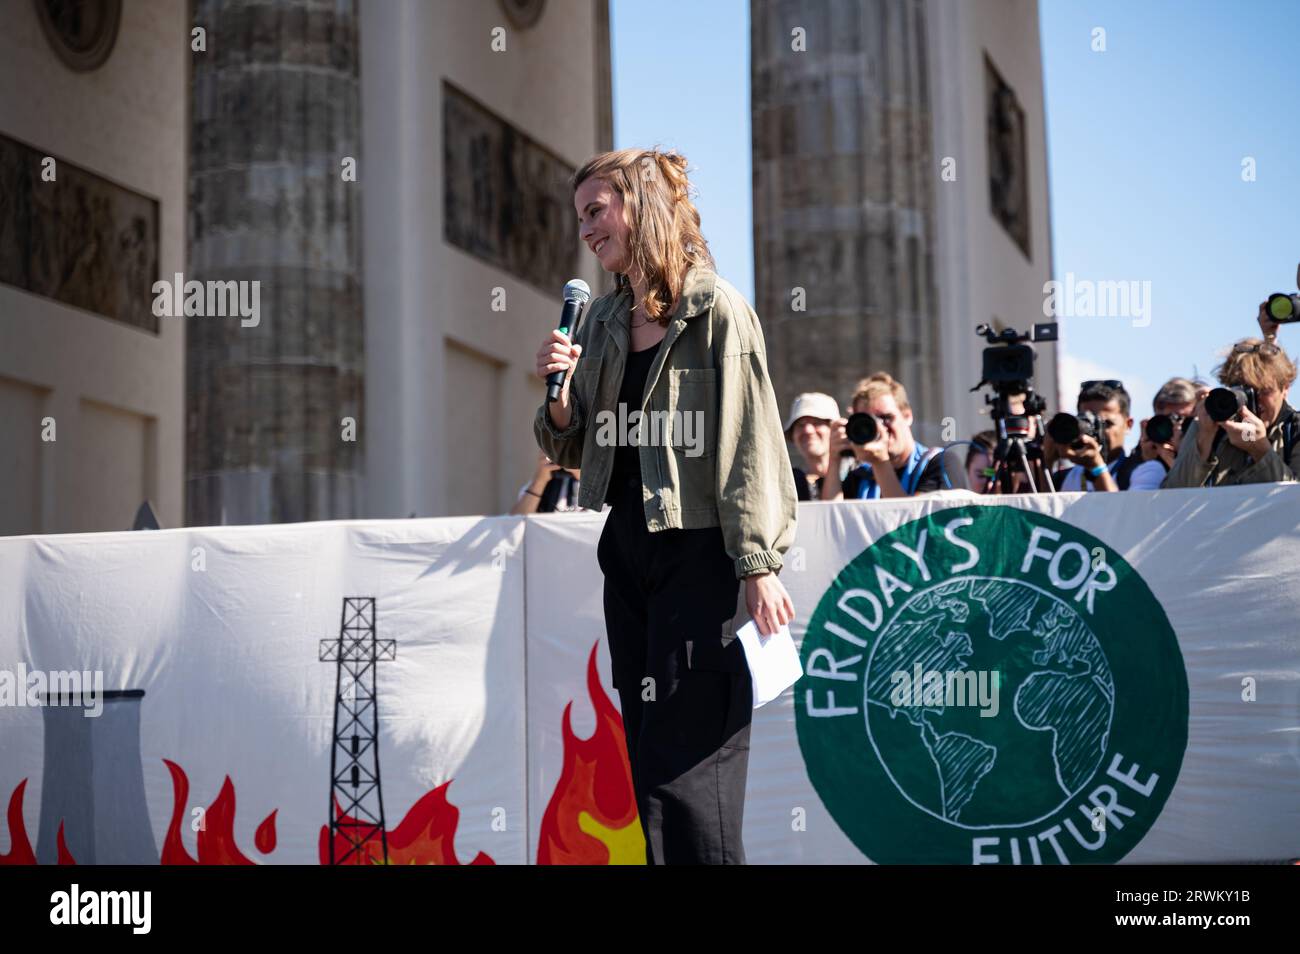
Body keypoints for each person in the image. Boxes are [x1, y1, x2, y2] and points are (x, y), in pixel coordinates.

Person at [533, 147, 797, 865]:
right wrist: (558, 400)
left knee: (690, 774)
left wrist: (756, 562)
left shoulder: (717, 310)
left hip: (701, 554)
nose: (586, 230)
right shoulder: (602, 321)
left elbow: (749, 443)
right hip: (628, 553)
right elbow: (574, 448)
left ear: (640, 205)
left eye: (597, 211)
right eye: (580, 216)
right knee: (651, 767)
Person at [1161, 334, 1299, 488]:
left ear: (1285, 388)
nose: (1254, 399)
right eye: (1245, 390)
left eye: (1264, 391)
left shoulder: (1294, 430)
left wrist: (1260, 450)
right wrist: (1204, 439)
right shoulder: (1209, 425)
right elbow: (1171, 497)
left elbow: (1294, 503)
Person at [823, 373, 947, 499]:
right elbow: (832, 515)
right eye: (869, 423)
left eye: (886, 418)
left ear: (907, 416)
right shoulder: (861, 475)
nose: (880, 428)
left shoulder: (940, 463)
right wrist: (834, 460)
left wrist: (880, 462)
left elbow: (914, 518)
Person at [1054, 381, 1166, 492]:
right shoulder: (1064, 477)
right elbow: (1043, 509)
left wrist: (1096, 468)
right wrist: (1046, 462)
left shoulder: (1144, 471)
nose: (1098, 432)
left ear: (1128, 425)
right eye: (1088, 423)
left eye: (1106, 424)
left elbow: (1121, 509)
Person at [782, 392, 840, 500]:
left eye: (817, 423)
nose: (807, 430)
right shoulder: (788, 483)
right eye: (800, 425)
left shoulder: (859, 478)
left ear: (835, 430)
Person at [1137, 377, 1202, 473]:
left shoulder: (1212, 449)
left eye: (1181, 419)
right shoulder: (1149, 452)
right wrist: (1146, 460)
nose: (1175, 427)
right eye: (1166, 420)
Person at [509, 450, 585, 514]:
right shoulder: (545, 481)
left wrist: (586, 477)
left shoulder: (595, 480)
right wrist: (540, 481)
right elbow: (515, 524)